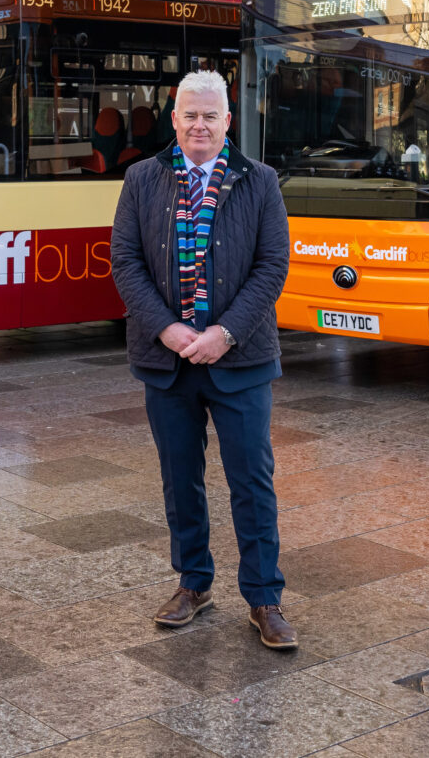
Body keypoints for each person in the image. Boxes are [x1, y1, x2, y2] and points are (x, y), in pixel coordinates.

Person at [110, 70, 296, 650]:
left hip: (240, 360)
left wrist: (226, 333)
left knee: (252, 481)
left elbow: (273, 265)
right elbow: (125, 261)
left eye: (210, 116)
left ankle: (264, 597)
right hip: (167, 363)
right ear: (174, 119)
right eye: (189, 115)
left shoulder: (260, 181)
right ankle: (193, 583)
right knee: (180, 479)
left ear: (227, 121)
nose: (199, 125)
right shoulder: (142, 178)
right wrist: (166, 329)